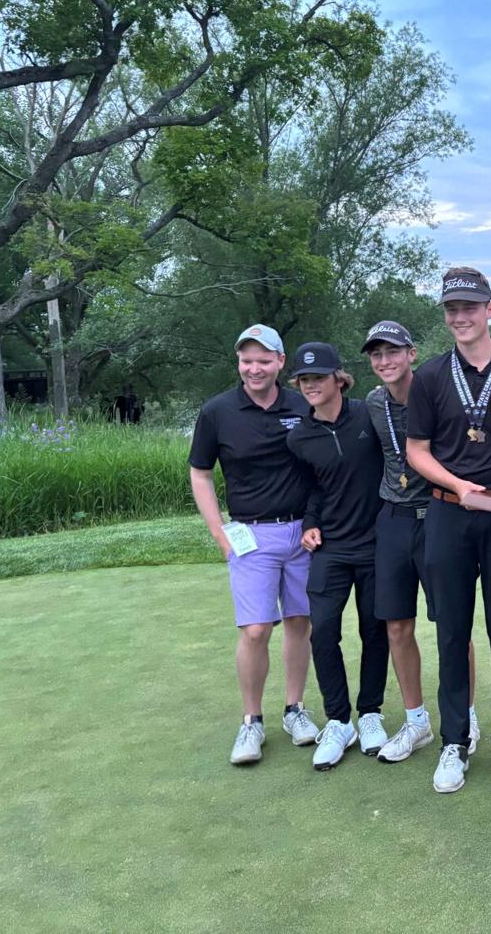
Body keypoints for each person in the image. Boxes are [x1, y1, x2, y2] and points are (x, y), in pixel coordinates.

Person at [406, 267, 491, 794]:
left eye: (470, 307)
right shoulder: (431, 376)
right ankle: (454, 742)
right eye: (452, 309)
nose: (460, 317)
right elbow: (417, 450)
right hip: (447, 514)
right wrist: (460, 487)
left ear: (490, 310)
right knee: (452, 633)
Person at [189, 324, 319, 766]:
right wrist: (218, 533)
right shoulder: (218, 411)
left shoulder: (303, 404)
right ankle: (251, 721)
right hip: (250, 534)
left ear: (281, 362)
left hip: (303, 531)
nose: (254, 368)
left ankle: (295, 709)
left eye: (264, 360)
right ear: (239, 363)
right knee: (256, 629)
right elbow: (201, 473)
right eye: (247, 360)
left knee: (301, 621)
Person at [361, 321, 479, 764]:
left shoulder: (435, 392)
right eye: (376, 355)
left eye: (393, 352)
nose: (385, 362)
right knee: (396, 624)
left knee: (452, 624)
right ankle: (417, 721)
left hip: (438, 516)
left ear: (412, 354)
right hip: (393, 518)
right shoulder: (373, 403)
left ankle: (464, 717)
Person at [285, 342, 390, 771]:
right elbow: (313, 488)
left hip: (377, 544)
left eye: (318, 378)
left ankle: (369, 714)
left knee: (375, 629)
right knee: (323, 631)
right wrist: (310, 523)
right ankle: (338, 720)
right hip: (330, 547)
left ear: (338, 379)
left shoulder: (369, 414)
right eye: (304, 380)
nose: (310, 385)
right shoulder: (299, 436)